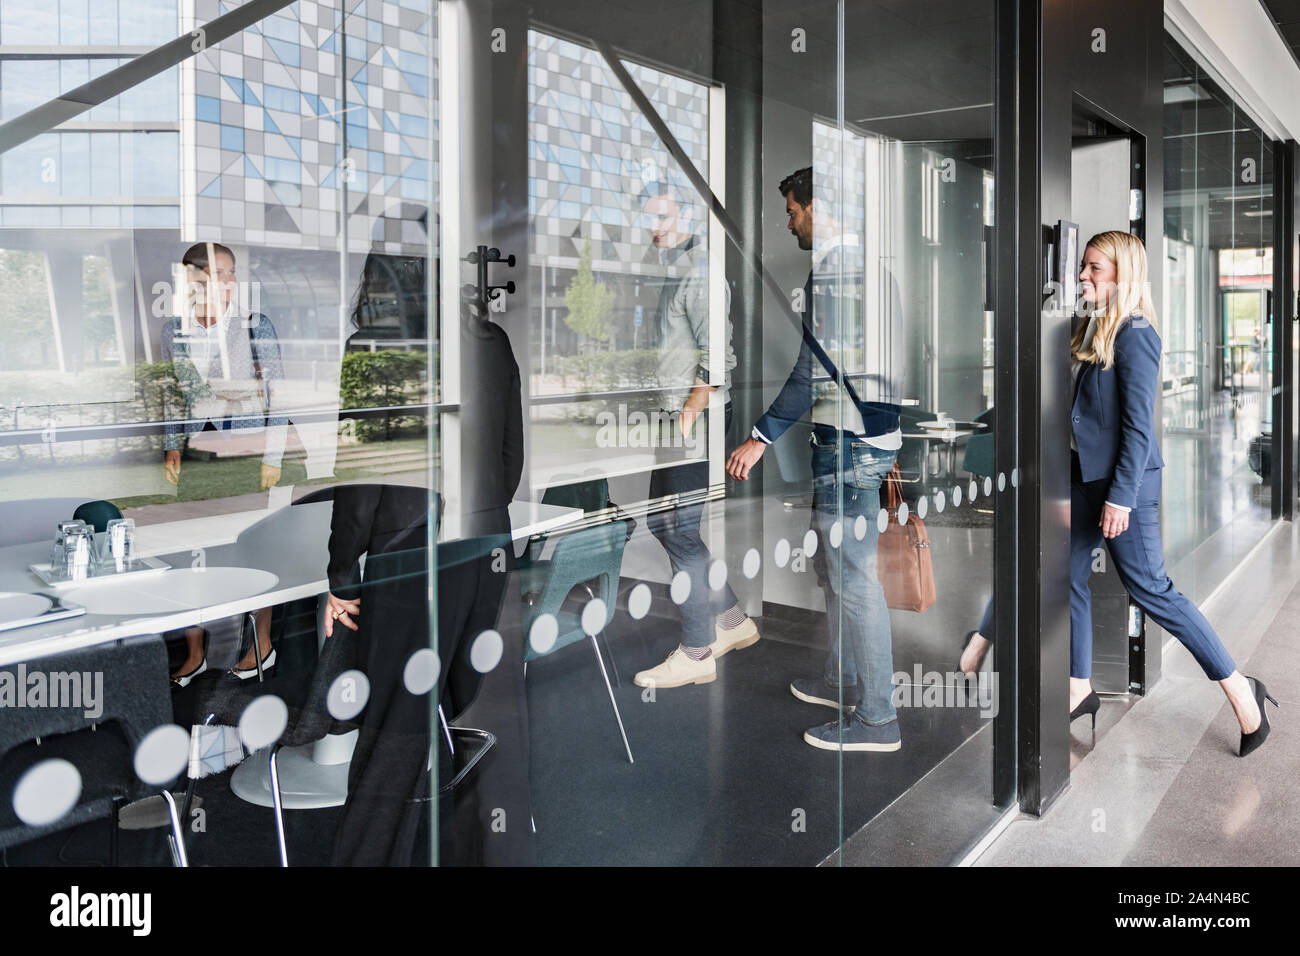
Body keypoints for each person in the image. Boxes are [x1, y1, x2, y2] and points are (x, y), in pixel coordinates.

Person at [1068, 230, 1276, 755]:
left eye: (1095, 269)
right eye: (1084, 266)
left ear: (1123, 276)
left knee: (1152, 592)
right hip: (1084, 479)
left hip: (1123, 487)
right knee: (1062, 576)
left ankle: (1243, 694)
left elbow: (1138, 428)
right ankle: (1077, 689)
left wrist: (1120, 498)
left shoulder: (1136, 333)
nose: (1083, 276)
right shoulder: (1095, 324)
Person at [726, 167, 904, 752]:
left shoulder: (836, 274)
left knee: (854, 578)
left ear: (818, 210)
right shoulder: (870, 270)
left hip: (850, 444)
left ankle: (879, 719)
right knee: (835, 571)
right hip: (862, 437)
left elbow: (812, 370)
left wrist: (760, 435)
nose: (790, 220)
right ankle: (841, 678)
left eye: (793, 210)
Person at [632, 187, 759, 689]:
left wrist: (688, 413)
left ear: (685, 213)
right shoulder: (674, 268)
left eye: (662, 217)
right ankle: (732, 621)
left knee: (678, 528)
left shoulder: (701, 271)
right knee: (663, 523)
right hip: (674, 419)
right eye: (648, 219)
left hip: (694, 420)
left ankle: (697, 650)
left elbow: (718, 357)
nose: (655, 228)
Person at [162, 241, 287, 685]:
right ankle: (195, 653)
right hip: (197, 451)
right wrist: (171, 445)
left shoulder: (255, 326)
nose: (229, 282)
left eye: (232, 273)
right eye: (219, 273)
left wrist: (272, 456)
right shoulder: (176, 329)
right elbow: (175, 395)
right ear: (194, 279)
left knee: (252, 549)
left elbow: (278, 397)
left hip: (245, 451)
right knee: (192, 553)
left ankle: (262, 643)